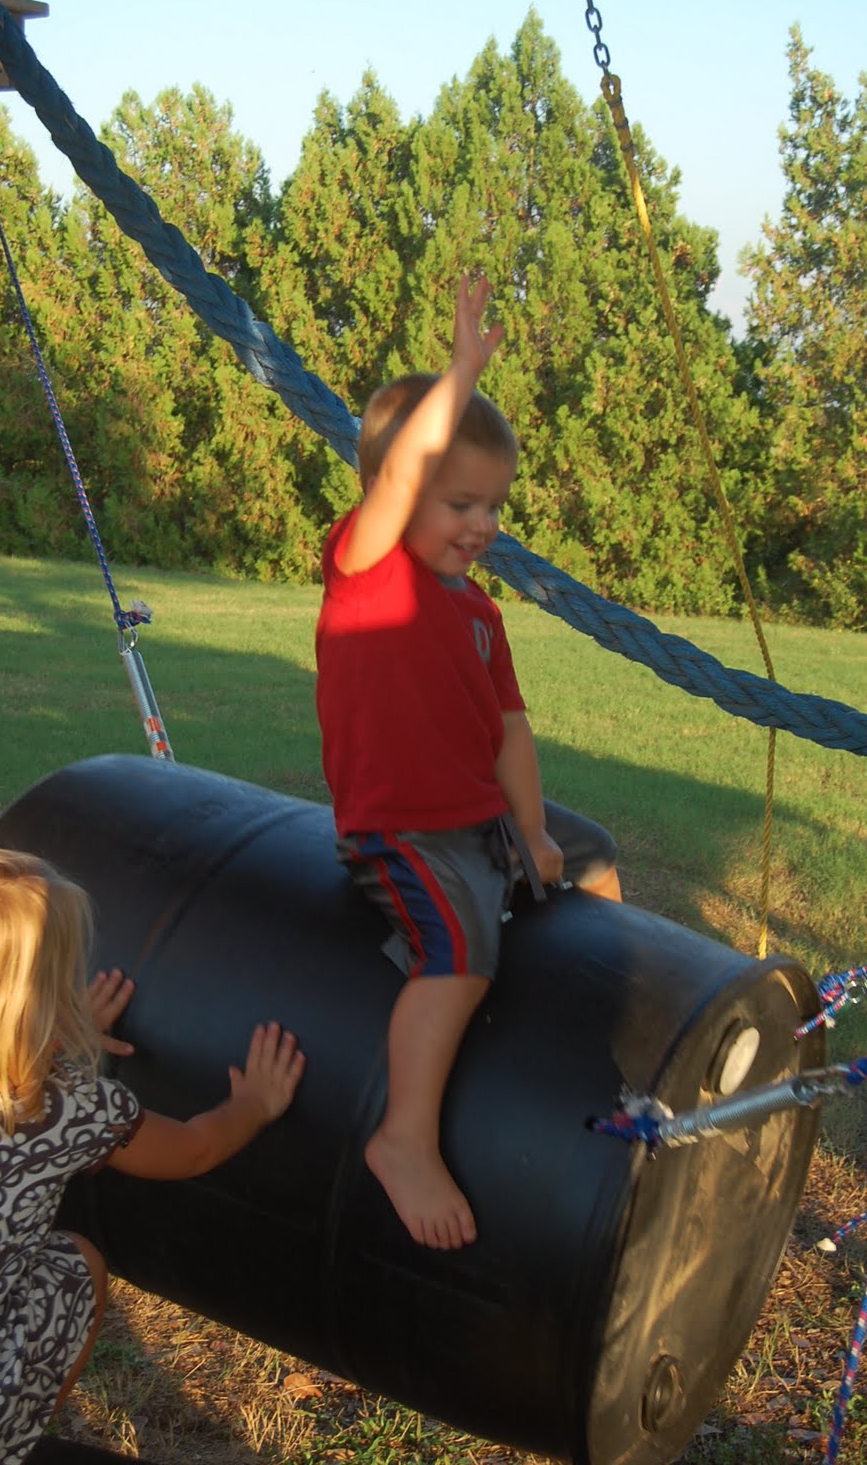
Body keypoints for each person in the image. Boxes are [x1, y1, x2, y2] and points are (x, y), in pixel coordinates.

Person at [315, 272, 621, 1253]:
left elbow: (509, 732)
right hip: (403, 828)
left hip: (480, 817)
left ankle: (600, 1032)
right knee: (458, 945)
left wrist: (531, 831)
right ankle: (402, 1138)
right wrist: (458, 372)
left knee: (596, 856)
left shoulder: (479, 613)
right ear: (390, 492)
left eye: (492, 505)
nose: (481, 525)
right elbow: (404, 476)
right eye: (459, 502)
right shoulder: (367, 569)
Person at [0, 847, 305, 1465]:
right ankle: (9, 1445)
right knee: (77, 1266)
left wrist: (56, 1038)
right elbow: (194, 1149)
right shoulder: (67, 1108)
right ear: (43, 995)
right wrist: (252, 1104)